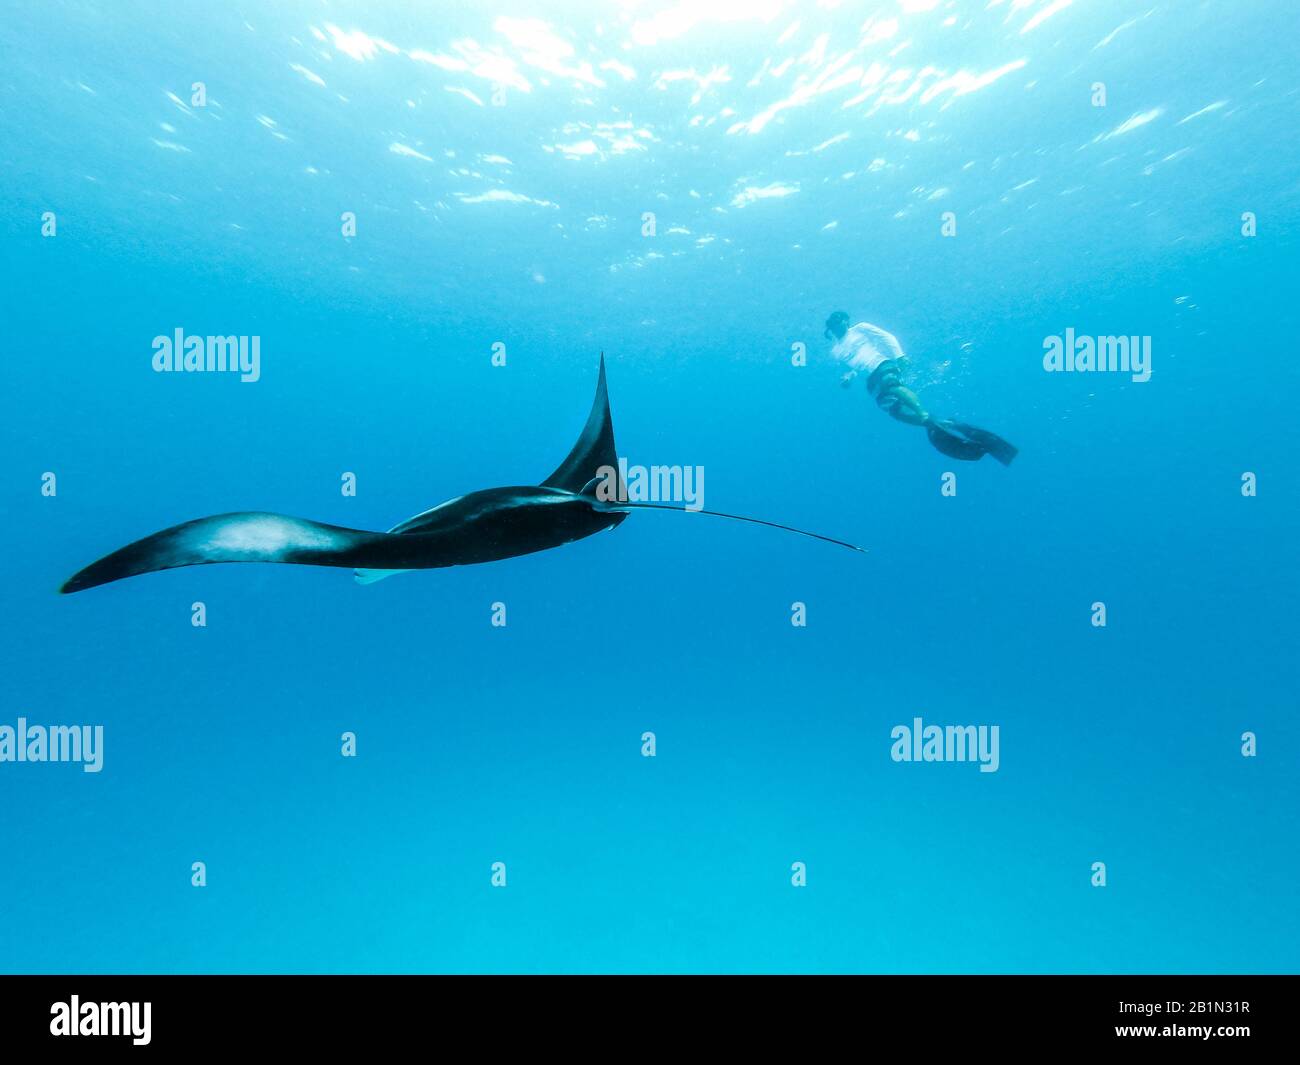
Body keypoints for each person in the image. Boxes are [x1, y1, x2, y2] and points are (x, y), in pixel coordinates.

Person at [824, 311, 1017, 465]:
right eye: (835, 322)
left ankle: (922, 413)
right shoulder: (836, 351)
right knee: (894, 411)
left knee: (891, 386)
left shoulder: (861, 328)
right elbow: (851, 368)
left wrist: (900, 356)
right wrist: (848, 377)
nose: (840, 324)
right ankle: (934, 422)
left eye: (842, 320)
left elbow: (886, 337)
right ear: (831, 328)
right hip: (870, 381)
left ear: (847, 321)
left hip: (881, 364)